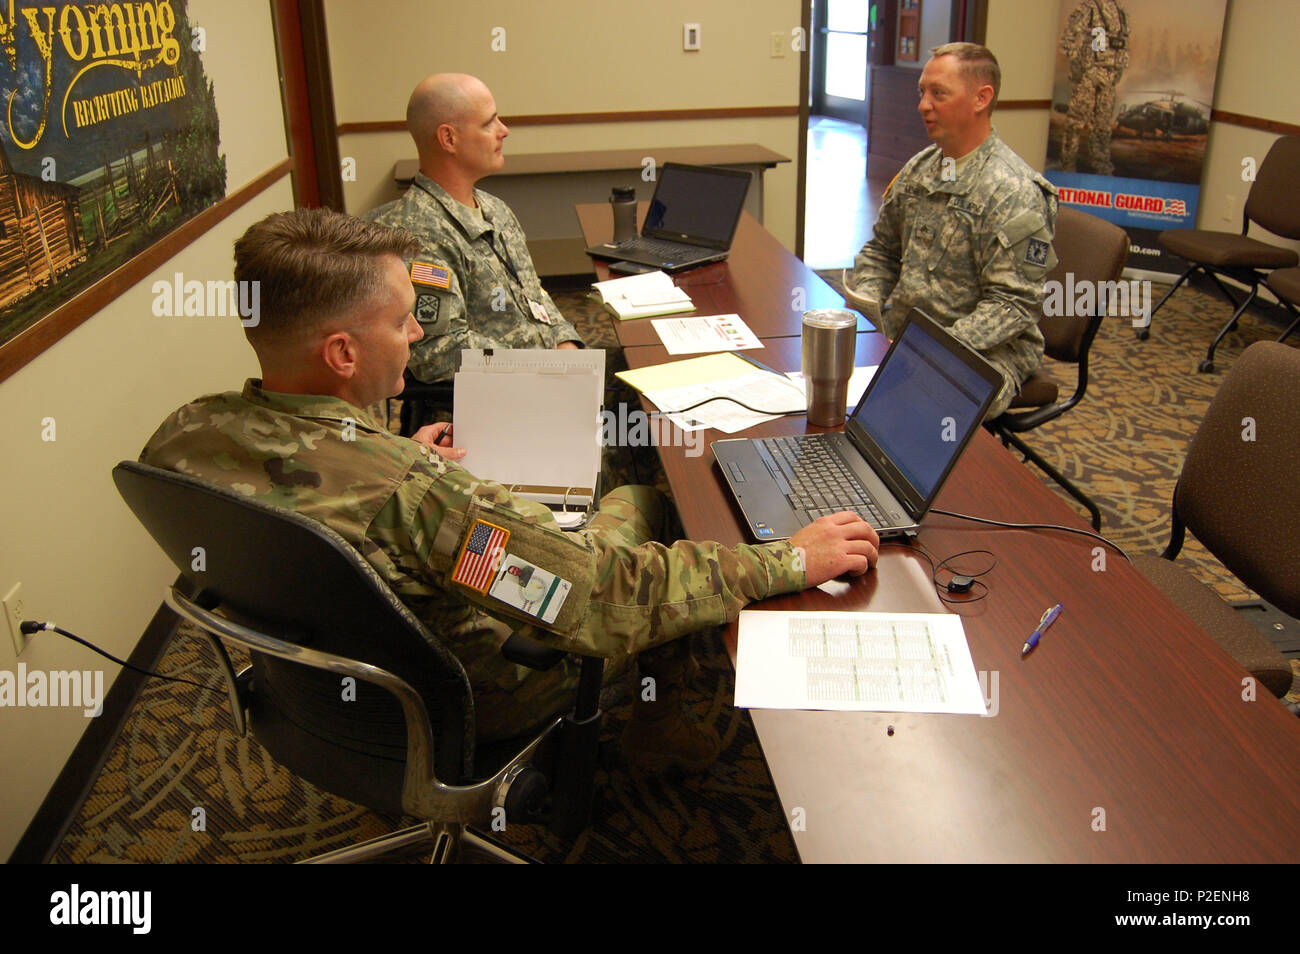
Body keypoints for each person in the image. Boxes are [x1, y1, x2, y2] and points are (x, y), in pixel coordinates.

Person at [141, 208, 880, 772]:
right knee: (644, 506)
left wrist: (385, 454)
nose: (418, 337)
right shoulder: (417, 496)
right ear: (342, 353)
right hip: (474, 693)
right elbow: (595, 601)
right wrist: (792, 558)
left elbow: (312, 497)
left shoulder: (182, 434)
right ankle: (658, 732)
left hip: (313, 686)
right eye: (401, 322)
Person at [847, 43, 1058, 418]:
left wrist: (926, 350)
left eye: (938, 93)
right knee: (829, 379)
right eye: (922, 92)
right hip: (905, 336)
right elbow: (882, 252)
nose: (923, 105)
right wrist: (868, 312)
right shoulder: (920, 169)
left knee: (907, 413)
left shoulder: (1015, 191)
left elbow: (1014, 305)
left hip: (986, 352)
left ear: (981, 98)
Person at [364, 73, 582, 385]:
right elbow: (438, 351)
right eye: (489, 123)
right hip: (500, 392)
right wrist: (542, 367)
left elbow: (534, 295)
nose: (504, 131)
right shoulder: (419, 234)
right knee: (632, 407)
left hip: (547, 376)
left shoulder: (495, 209)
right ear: (449, 139)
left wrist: (565, 342)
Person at [1058, 0, 1130, 175]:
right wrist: (1080, 62)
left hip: (1110, 74)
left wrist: (1119, 69)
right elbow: (1068, 38)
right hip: (1089, 74)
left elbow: (1123, 42)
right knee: (1076, 121)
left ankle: (1101, 164)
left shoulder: (1121, 11)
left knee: (1103, 123)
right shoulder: (1090, 7)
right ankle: (1068, 163)